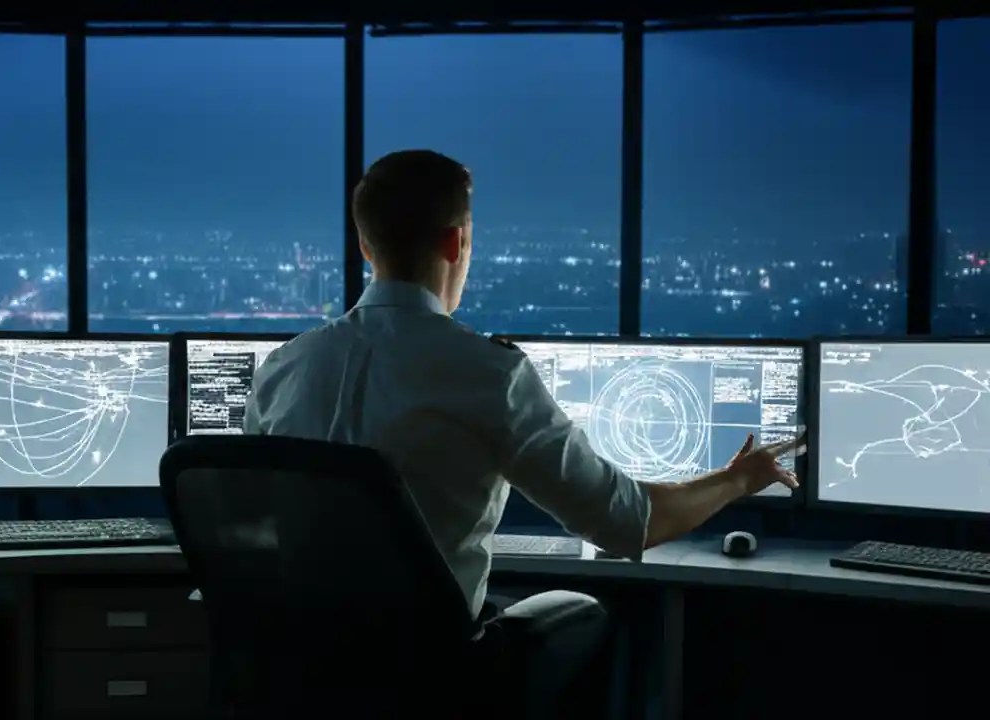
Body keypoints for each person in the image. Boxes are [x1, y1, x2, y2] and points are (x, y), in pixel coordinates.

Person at [242, 149, 806, 717]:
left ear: (366, 247)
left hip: (301, 674)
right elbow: (629, 524)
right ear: (457, 243)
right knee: (585, 614)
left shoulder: (281, 369)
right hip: (430, 679)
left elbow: (252, 527)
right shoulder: (489, 374)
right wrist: (739, 480)